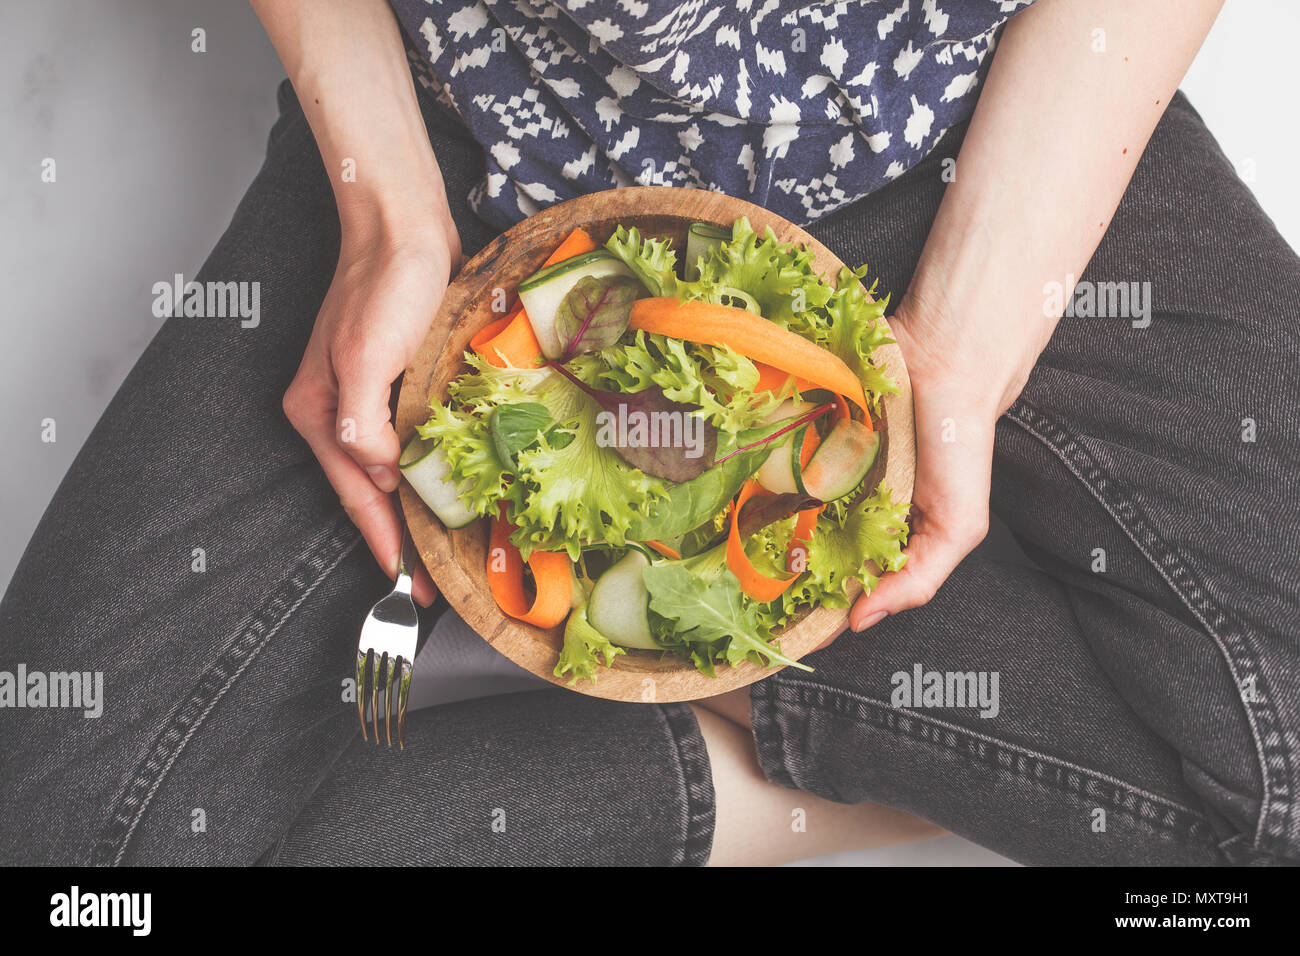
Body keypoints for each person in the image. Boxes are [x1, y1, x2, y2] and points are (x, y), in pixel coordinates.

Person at [2, 0, 1296, 866]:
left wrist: (963, 340)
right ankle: (679, 737)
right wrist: (384, 212)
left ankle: (745, 696)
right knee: (65, 849)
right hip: (466, 119)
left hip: (962, 110)